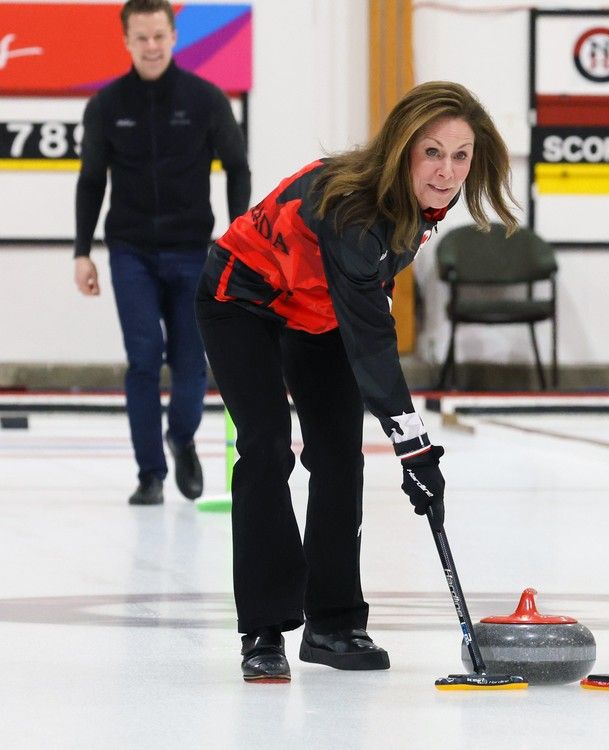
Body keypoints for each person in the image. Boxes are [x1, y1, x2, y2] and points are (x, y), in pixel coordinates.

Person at [195, 80, 519, 683]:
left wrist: (408, 447)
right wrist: (416, 447)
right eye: (432, 152)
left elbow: (367, 298)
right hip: (242, 301)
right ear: (401, 148)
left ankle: (333, 622)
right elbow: (372, 342)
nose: (447, 171)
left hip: (318, 312)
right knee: (266, 447)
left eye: (460, 155)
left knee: (340, 455)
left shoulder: (419, 207)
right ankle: (263, 628)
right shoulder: (353, 210)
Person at [74, 0, 251, 506]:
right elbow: (90, 181)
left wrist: (238, 237)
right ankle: (150, 473)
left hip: (194, 249)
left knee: (193, 363)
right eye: (141, 38)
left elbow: (238, 168)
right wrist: (81, 251)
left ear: (174, 36)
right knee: (144, 359)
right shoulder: (106, 106)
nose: (151, 47)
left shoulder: (205, 99)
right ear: (126, 41)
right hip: (130, 251)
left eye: (159, 36)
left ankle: (182, 438)